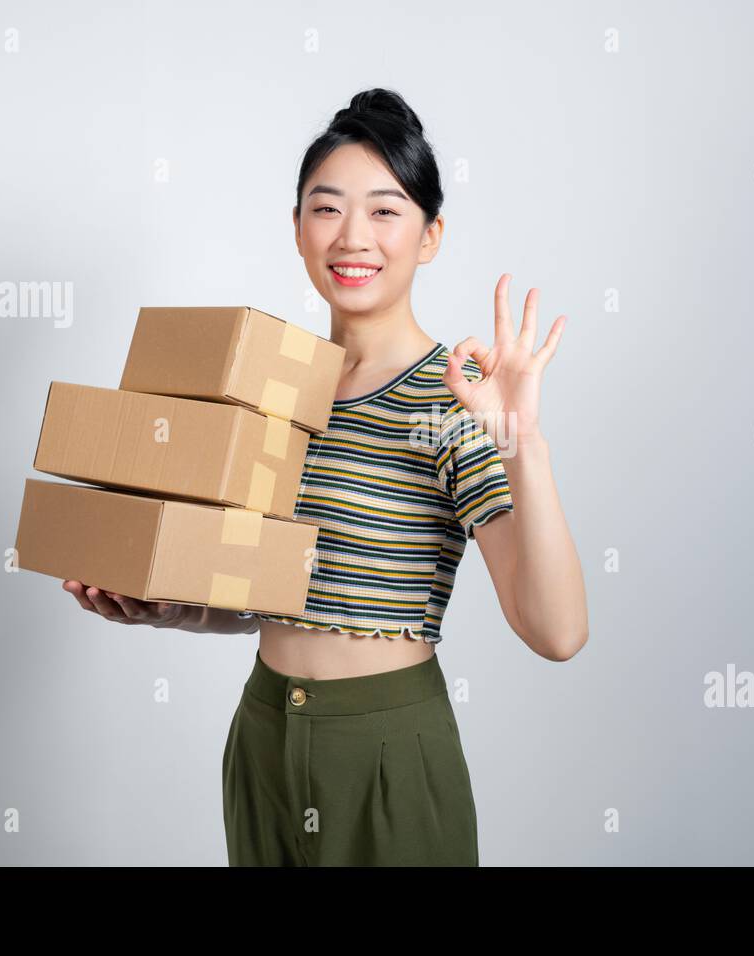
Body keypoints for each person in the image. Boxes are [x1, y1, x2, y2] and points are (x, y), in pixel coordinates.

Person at [60, 88, 588, 865]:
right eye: (326, 208)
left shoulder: (454, 399)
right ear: (298, 227)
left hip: (384, 752)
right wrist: (165, 608)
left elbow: (558, 631)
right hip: (264, 736)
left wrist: (523, 442)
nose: (352, 237)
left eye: (385, 211)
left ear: (430, 235)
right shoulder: (277, 392)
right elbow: (266, 595)